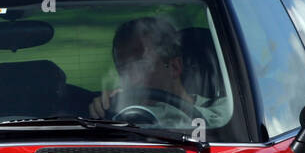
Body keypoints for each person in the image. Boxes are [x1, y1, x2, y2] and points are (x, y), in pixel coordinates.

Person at [88, 16, 230, 129]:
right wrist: (104, 109)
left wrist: (165, 111)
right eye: (123, 68)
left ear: (174, 67)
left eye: (140, 64)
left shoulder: (222, 109)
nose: (130, 77)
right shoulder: (121, 115)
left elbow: (221, 130)